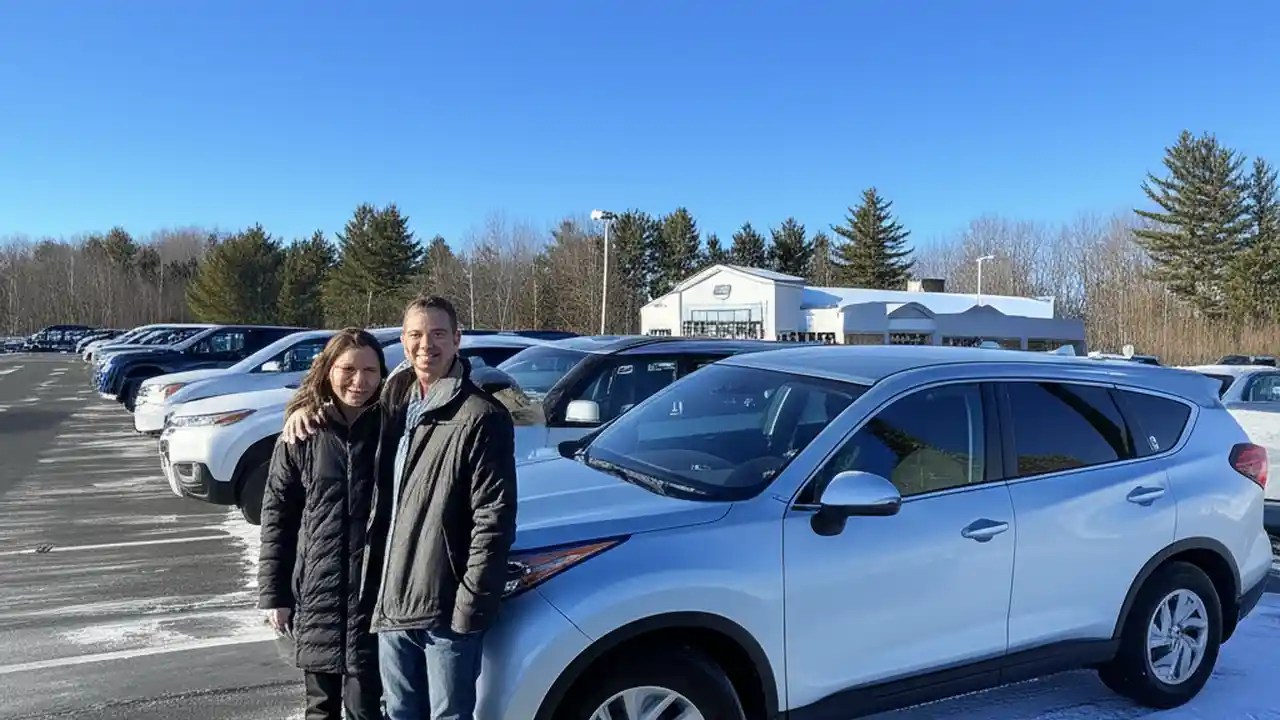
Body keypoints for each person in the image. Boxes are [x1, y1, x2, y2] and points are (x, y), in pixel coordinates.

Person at [282, 295, 518, 720]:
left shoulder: (481, 416)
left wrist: (470, 606)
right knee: (397, 713)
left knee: (449, 715)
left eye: (437, 335)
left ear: (457, 340)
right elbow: (344, 410)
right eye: (415, 335)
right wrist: (304, 410)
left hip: (444, 609)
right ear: (404, 342)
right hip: (390, 607)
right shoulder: (396, 402)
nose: (425, 345)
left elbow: (494, 521)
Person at [257, 328, 390, 720]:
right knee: (320, 708)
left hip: (373, 597)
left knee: (368, 707)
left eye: (370, 370)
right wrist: (274, 594)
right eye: (347, 369)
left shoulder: (392, 429)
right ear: (327, 371)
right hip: (318, 597)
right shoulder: (302, 435)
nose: (359, 381)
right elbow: (277, 518)